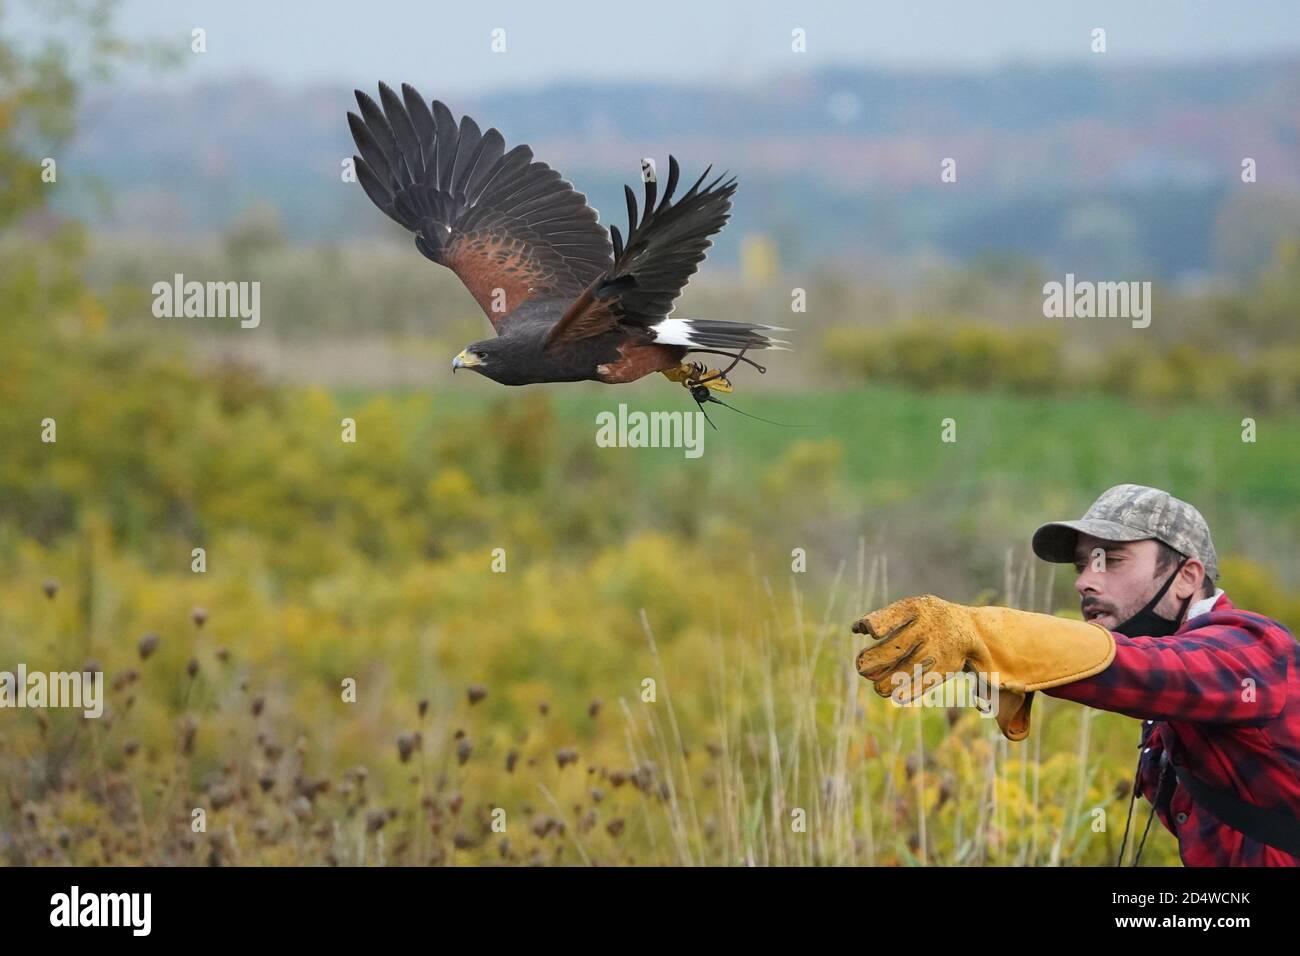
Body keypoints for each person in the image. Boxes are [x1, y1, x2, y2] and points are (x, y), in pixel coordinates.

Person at [853, 484, 1300, 866]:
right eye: (1082, 565)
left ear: (1186, 577)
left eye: (1112, 561)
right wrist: (1016, 665)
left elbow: (1148, 671)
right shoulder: (1179, 674)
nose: (1085, 581)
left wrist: (986, 634)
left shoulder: (1252, 650)